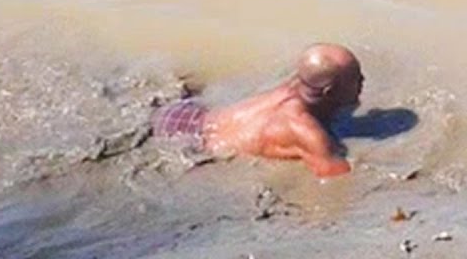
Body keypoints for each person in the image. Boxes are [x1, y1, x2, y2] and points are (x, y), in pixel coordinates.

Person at [151, 43, 364, 177]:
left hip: (181, 112)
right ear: (328, 91)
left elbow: (323, 92)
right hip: (183, 141)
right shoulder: (307, 133)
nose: (363, 80)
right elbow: (337, 183)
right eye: (356, 78)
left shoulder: (295, 87)